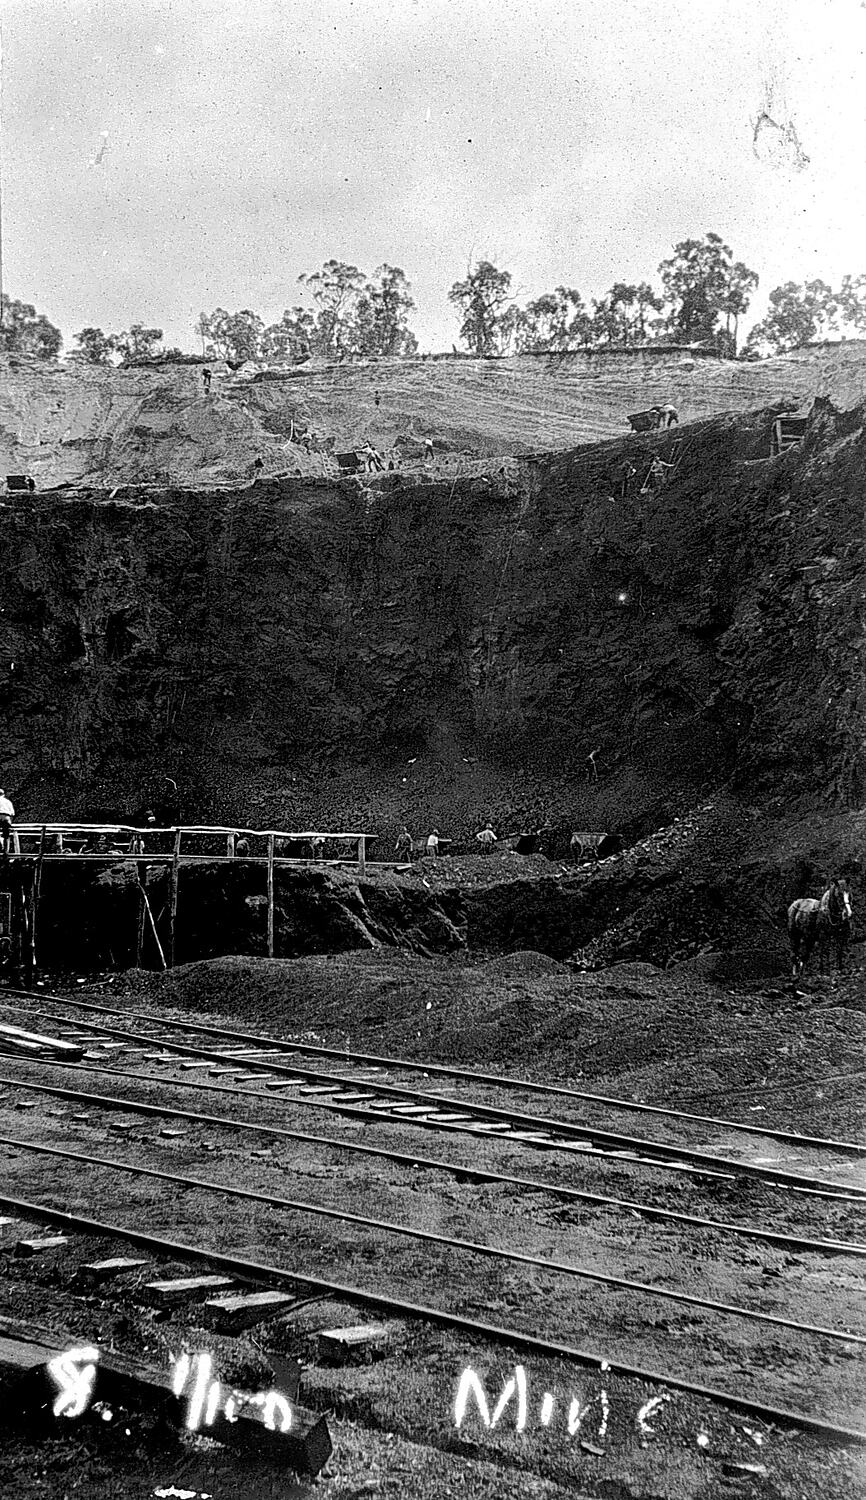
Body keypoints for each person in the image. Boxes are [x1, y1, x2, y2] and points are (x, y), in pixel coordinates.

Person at [0, 789, 14, 854]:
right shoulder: (8, 801)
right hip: (6, 817)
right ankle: (5, 851)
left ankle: (1, 843)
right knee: (6, 835)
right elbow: (12, 813)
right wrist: (10, 822)